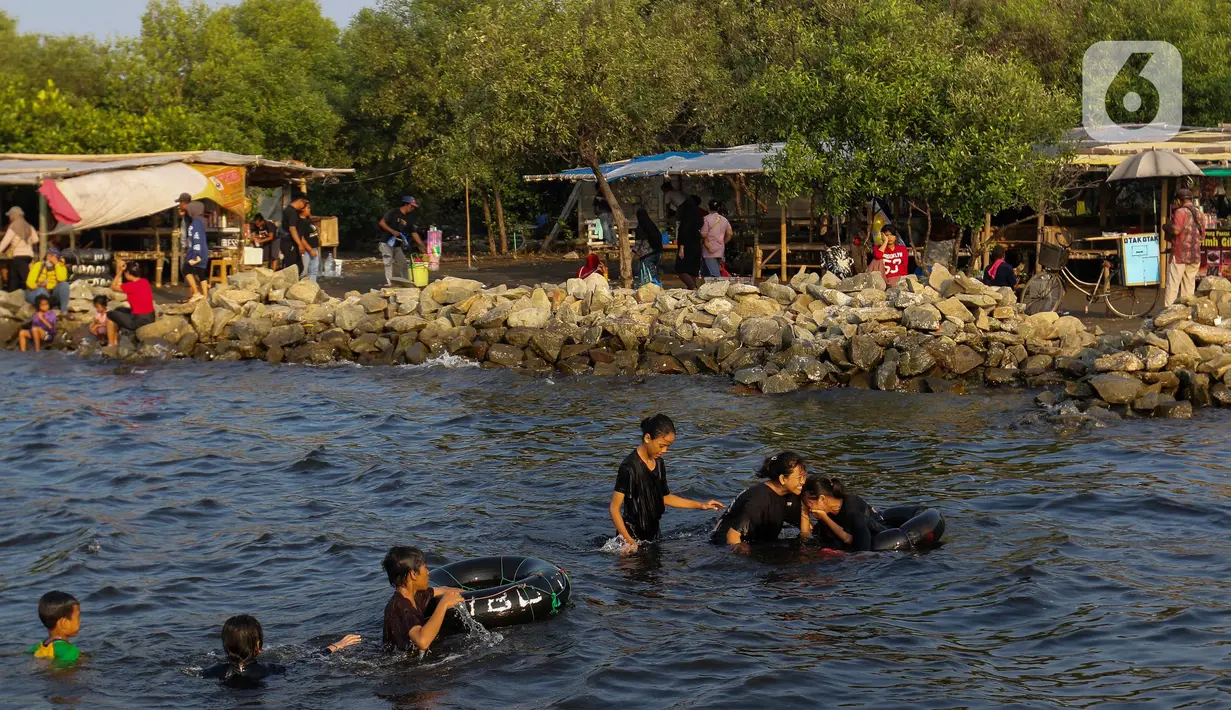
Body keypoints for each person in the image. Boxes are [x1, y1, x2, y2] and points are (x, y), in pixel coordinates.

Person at [609, 414, 724, 552]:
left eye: (668, 446)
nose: (664, 451)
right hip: (631, 537)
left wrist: (701, 505)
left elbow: (664, 497)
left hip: (654, 535)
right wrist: (628, 541)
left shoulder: (659, 463)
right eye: (662, 445)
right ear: (647, 438)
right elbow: (614, 509)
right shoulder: (628, 467)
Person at [201, 614, 360, 688]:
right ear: (258, 646)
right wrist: (334, 646)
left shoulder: (216, 670)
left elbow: (191, 672)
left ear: (226, 645)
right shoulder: (269, 669)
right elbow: (303, 663)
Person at [712, 452, 812, 545]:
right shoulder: (759, 499)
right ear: (782, 479)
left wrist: (804, 508)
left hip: (760, 542)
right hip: (725, 544)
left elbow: (806, 532)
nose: (803, 481)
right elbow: (732, 537)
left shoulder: (792, 493)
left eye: (804, 476)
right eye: (799, 477)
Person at [381, 546, 464, 653]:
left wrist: (473, 594)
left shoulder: (417, 595)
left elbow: (445, 590)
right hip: (401, 665)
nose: (428, 572)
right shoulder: (399, 606)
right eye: (425, 568)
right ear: (413, 574)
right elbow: (422, 642)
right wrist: (443, 604)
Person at [802, 476, 884, 552]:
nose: (810, 510)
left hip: (883, 533)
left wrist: (825, 519)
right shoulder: (828, 514)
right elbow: (807, 538)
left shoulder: (851, 504)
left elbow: (850, 539)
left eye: (809, 506)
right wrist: (804, 511)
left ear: (822, 499)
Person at [1164, 187, 1205, 307]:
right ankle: (1187, 315)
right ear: (1191, 199)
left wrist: (1166, 227)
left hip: (1180, 256)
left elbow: (1176, 231)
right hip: (1195, 256)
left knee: (1173, 285)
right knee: (1189, 287)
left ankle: (1168, 314)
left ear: (1178, 200)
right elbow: (1202, 236)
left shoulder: (1180, 212)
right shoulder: (1200, 214)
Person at [106, 260, 156, 346]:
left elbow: (112, 287)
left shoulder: (131, 286)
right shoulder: (145, 281)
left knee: (110, 314)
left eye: (125, 273)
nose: (125, 275)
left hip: (139, 321)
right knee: (119, 309)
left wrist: (120, 271)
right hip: (150, 317)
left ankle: (111, 344)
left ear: (128, 273)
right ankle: (117, 339)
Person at [26, 591, 81, 667]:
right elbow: (59, 672)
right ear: (64, 623)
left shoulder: (41, 646)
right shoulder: (70, 650)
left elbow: (27, 653)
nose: (80, 621)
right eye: (78, 617)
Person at [379, 196, 425, 286]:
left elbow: (414, 233)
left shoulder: (409, 218)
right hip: (386, 242)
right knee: (388, 262)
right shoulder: (393, 212)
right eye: (412, 206)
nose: (413, 208)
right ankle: (389, 283)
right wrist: (392, 231)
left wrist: (422, 245)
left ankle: (406, 283)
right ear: (406, 204)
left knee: (403, 263)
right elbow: (382, 222)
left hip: (397, 245)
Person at [0, 206, 40, 291]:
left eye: (10, 215)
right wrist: (27, 243)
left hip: (18, 255)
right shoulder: (29, 226)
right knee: (13, 276)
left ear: (14, 215)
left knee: (25, 278)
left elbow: (6, 241)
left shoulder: (13, 226)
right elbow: (36, 239)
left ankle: (33, 294)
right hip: (28, 255)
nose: (10, 217)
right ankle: (13, 293)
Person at [182, 201, 210, 300]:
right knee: (200, 272)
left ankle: (196, 292)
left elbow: (197, 238)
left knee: (186, 269)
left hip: (197, 250)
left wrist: (196, 255)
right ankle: (205, 296)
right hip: (200, 249)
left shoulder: (196, 223)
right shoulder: (200, 221)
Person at [675, 196, 704, 290]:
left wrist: (681, 247)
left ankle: (693, 287)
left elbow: (684, 232)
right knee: (692, 269)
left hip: (687, 246)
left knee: (680, 268)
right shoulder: (698, 217)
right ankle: (693, 289)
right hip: (696, 246)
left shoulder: (686, 218)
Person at [700, 200, 733, 278]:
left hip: (709, 249)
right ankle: (706, 287)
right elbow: (730, 233)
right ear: (718, 208)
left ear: (708, 207)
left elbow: (703, 234)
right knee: (707, 270)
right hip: (720, 249)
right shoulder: (724, 219)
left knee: (714, 274)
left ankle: (718, 287)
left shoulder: (706, 219)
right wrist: (723, 242)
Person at [633, 207, 664, 287]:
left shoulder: (640, 228)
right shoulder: (652, 226)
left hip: (647, 255)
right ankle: (657, 287)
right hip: (657, 252)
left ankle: (649, 288)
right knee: (653, 271)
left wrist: (632, 254)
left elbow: (638, 244)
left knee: (646, 273)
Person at [281, 192, 309, 275]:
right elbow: (292, 229)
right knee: (293, 268)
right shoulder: (292, 212)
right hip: (290, 243)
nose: (304, 206)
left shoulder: (291, 211)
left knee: (299, 267)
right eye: (305, 203)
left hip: (291, 242)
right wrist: (300, 244)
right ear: (301, 201)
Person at [298, 199, 321, 283]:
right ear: (302, 209)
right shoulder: (300, 222)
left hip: (314, 247)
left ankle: (313, 288)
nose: (309, 209)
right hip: (307, 250)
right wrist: (310, 250)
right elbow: (301, 238)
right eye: (308, 208)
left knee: (314, 270)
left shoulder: (308, 219)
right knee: (303, 271)